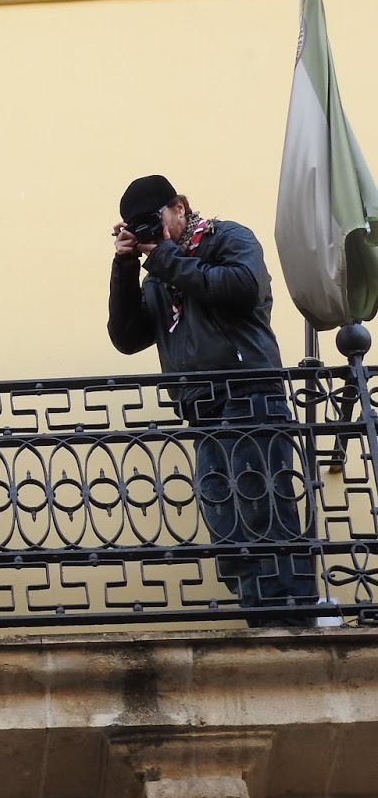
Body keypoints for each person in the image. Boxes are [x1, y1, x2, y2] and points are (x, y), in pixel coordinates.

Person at [108, 174, 319, 624]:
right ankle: (261, 616)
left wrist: (161, 256)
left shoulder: (228, 238)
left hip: (249, 392)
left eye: (152, 220)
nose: (149, 233)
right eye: (135, 227)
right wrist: (125, 269)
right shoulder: (159, 273)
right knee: (227, 523)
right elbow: (127, 337)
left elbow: (243, 287)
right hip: (201, 410)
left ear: (179, 207)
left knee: (264, 507)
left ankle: (292, 620)